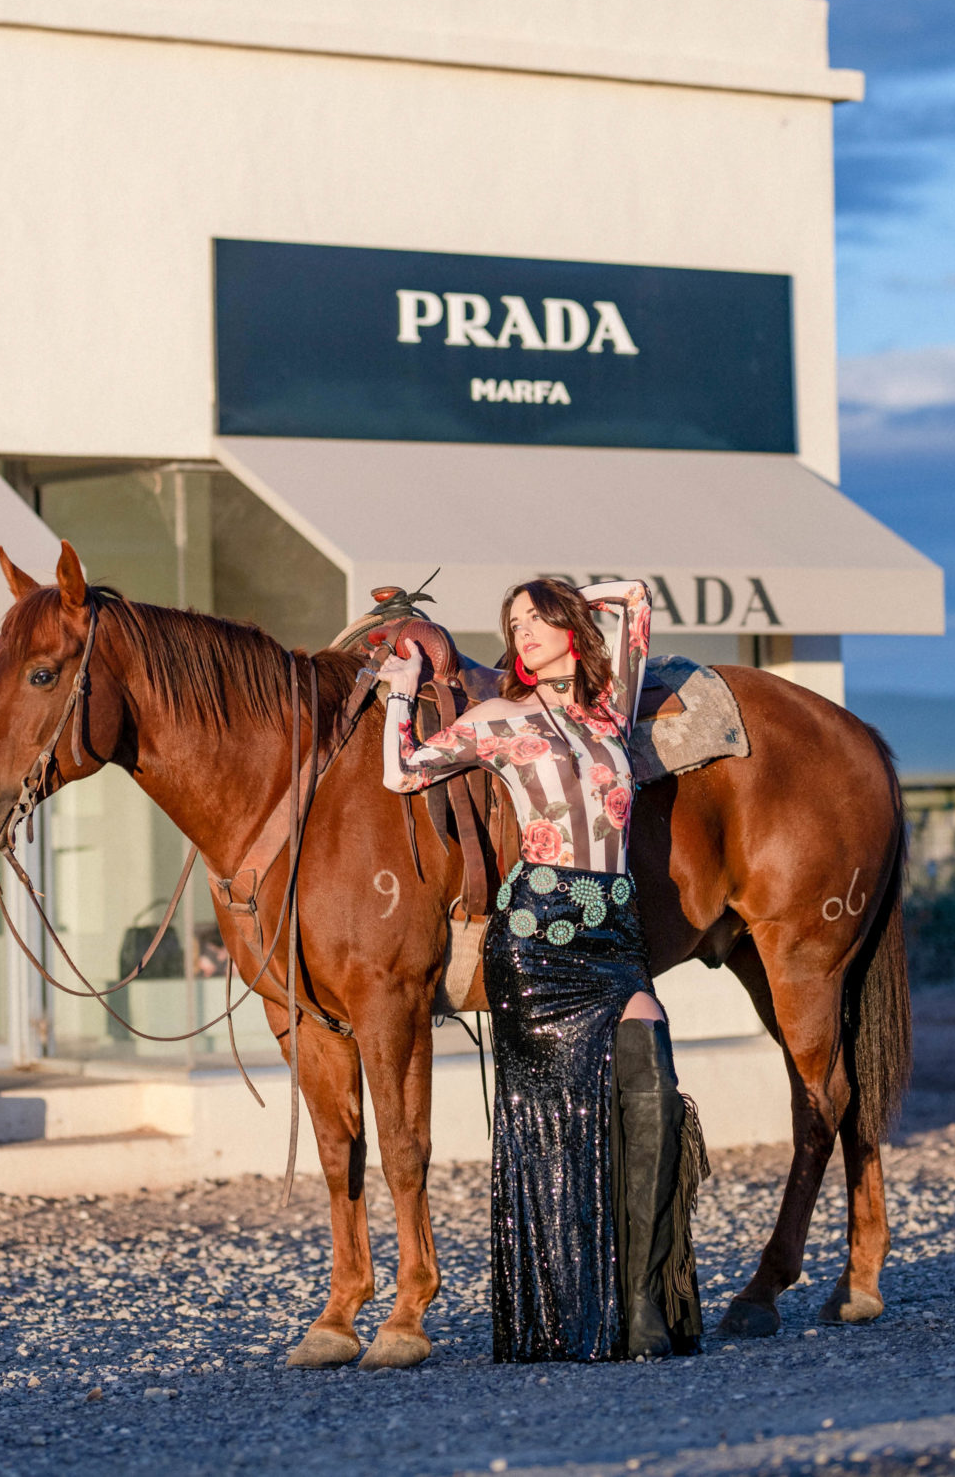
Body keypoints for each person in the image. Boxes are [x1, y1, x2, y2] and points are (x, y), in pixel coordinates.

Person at [379, 576, 704, 1364]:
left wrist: (566, 589)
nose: (522, 630)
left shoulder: (608, 715)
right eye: (513, 621)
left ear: (569, 627)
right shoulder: (498, 721)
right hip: (537, 936)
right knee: (557, 1132)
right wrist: (399, 692)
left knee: (653, 1097)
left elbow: (634, 599)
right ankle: (570, 1315)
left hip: (615, 931)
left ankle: (641, 1305)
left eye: (537, 617)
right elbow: (403, 774)